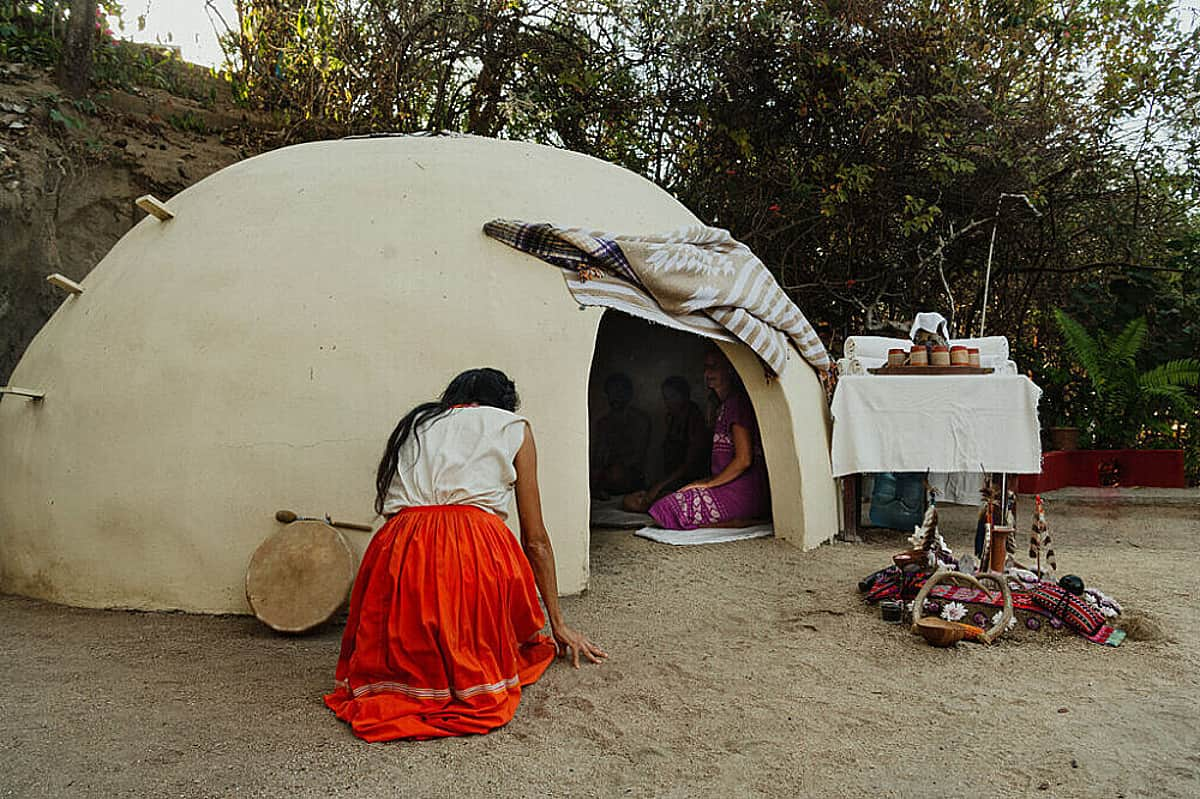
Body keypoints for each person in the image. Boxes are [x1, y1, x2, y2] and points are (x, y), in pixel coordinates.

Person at [324, 368, 606, 742]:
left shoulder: (417, 424)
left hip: (399, 548)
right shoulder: (513, 426)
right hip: (470, 548)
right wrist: (558, 624)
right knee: (479, 609)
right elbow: (534, 539)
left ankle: (410, 677)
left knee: (417, 627)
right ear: (505, 403)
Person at [647, 348, 770, 529]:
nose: (707, 373)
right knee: (664, 506)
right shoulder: (721, 406)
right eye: (706, 368)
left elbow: (744, 460)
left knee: (666, 510)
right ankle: (731, 522)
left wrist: (707, 484)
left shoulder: (738, 404)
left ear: (730, 370)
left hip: (744, 488)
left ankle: (736, 523)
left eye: (714, 367)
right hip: (728, 484)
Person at [622, 376, 710, 513]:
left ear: (685, 395)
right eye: (666, 397)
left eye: (672, 397)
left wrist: (660, 486)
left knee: (658, 502)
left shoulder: (694, 419)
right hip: (672, 479)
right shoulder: (671, 418)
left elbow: (689, 465)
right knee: (629, 500)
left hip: (690, 481)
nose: (668, 402)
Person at [590, 372, 651, 496]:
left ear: (628, 394)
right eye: (612, 392)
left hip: (631, 477)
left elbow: (638, 456)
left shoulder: (640, 420)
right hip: (607, 476)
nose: (616, 397)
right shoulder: (603, 423)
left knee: (616, 474)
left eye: (620, 392)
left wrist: (617, 468)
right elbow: (598, 456)